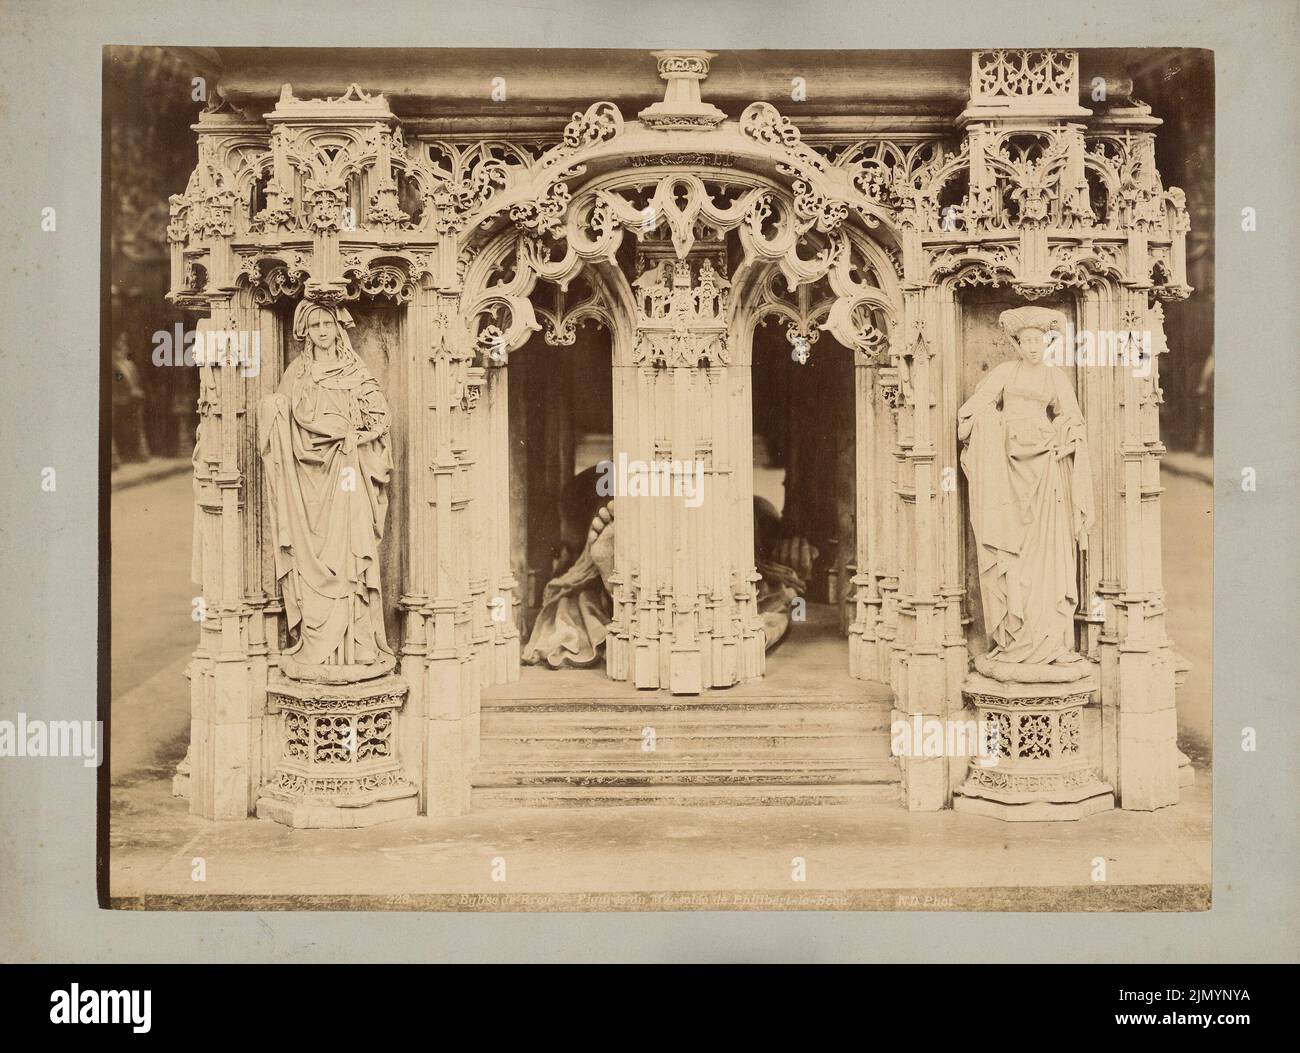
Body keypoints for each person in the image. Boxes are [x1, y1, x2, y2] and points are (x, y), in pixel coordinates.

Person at [958, 306, 1094, 683]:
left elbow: (1074, 421)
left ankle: (1050, 641)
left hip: (1046, 471)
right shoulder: (1004, 374)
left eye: (1040, 341)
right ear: (1017, 344)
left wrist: (1066, 436)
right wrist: (994, 427)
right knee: (1010, 551)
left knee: (1047, 555)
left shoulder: (1055, 378)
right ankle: (1013, 638)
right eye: (1027, 341)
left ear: (1047, 344)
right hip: (1007, 473)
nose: (1034, 348)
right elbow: (971, 414)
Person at [260, 300, 395, 680]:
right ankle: (316, 644)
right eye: (315, 324)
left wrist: (357, 436)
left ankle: (360, 645)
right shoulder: (297, 374)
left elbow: (382, 418)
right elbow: (281, 420)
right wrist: (273, 410)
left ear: (338, 327)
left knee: (353, 553)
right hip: (307, 485)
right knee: (311, 556)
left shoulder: (356, 371)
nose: (322, 330)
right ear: (306, 330)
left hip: (347, 472)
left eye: (328, 323)